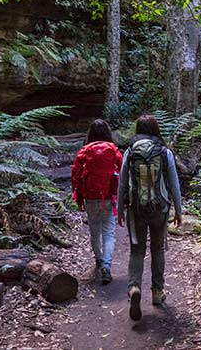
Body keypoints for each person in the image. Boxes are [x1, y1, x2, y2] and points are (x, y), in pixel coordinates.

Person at [117, 115, 182, 321]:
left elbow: (122, 182)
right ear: (156, 130)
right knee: (157, 249)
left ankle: (135, 287)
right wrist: (178, 210)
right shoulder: (165, 153)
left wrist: (120, 209)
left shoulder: (130, 152)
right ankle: (157, 292)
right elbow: (173, 183)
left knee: (137, 250)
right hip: (160, 209)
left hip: (136, 209)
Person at [71, 119, 122, 285]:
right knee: (108, 232)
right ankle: (107, 265)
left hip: (90, 196)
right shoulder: (113, 150)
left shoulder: (85, 151)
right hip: (109, 196)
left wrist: (78, 199)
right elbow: (122, 171)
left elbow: (76, 176)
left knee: (94, 231)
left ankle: (99, 260)